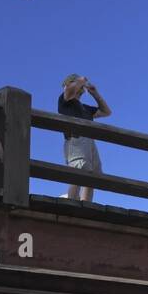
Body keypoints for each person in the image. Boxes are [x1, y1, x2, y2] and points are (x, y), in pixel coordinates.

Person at [58, 74, 112, 202]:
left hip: (89, 140)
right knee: (79, 168)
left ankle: (86, 204)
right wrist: (81, 80)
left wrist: (95, 94)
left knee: (92, 173)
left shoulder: (85, 108)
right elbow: (69, 90)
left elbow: (106, 112)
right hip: (75, 139)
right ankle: (71, 201)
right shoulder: (65, 102)